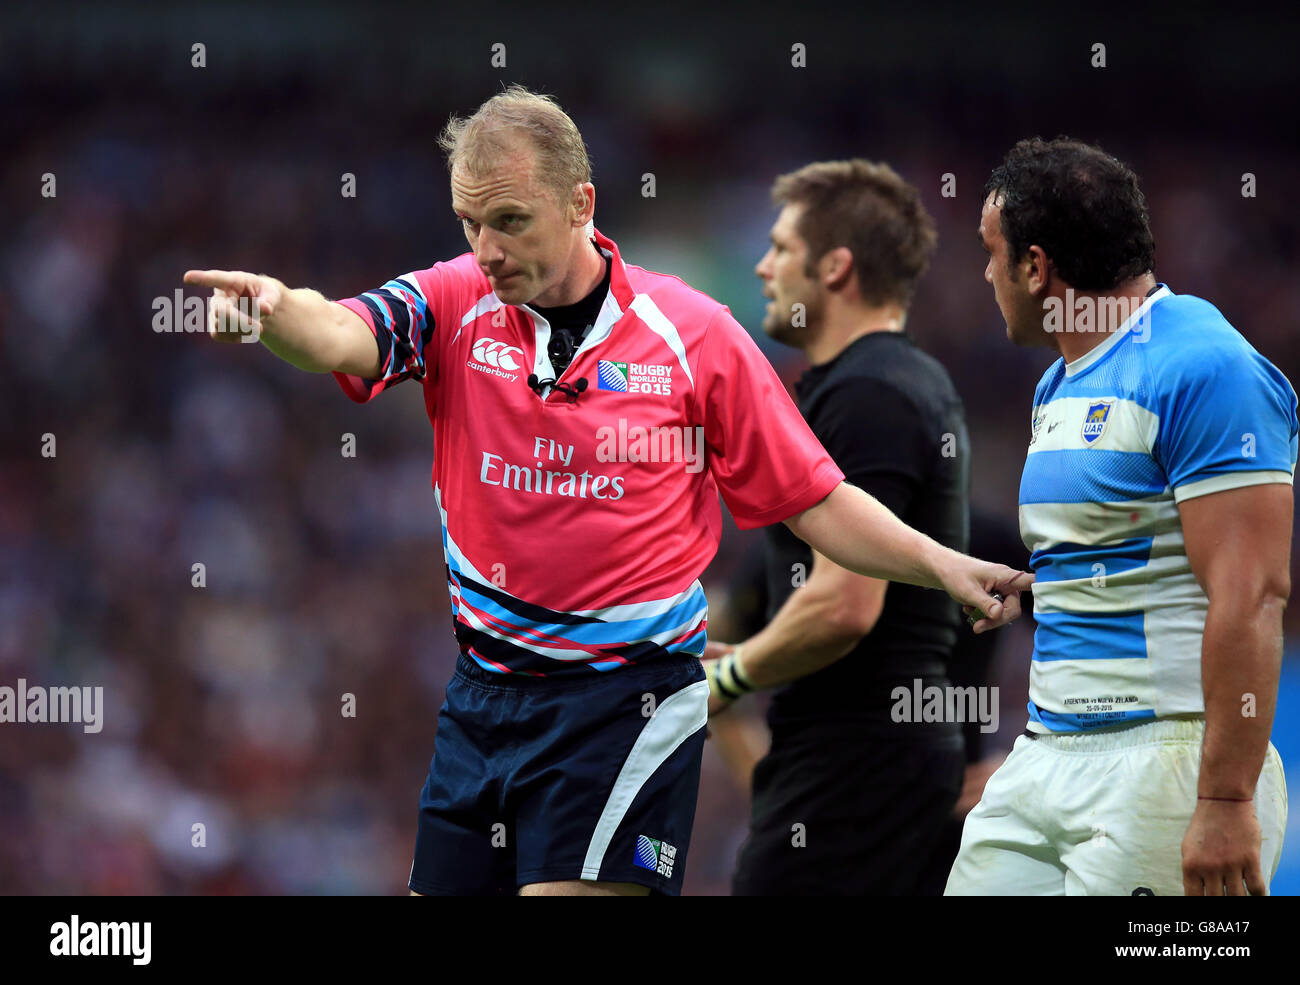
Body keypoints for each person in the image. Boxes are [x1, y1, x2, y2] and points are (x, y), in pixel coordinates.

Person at [182, 85, 1030, 897]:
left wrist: (939, 564)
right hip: (482, 694)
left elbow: (816, 497)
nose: (487, 249)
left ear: (581, 203)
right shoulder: (455, 302)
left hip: (625, 697)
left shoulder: (692, 335)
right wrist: (273, 310)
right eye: (469, 223)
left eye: (510, 222)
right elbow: (340, 330)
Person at [948, 136, 1296, 896]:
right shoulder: (1058, 385)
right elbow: (1143, 556)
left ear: (1036, 267)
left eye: (991, 252)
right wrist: (1042, 591)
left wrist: (1225, 798)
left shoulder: (1207, 368)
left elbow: (1253, 592)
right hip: (1045, 749)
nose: (984, 274)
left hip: (1166, 761)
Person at [702, 159, 974, 895]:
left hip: (856, 774)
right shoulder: (890, 385)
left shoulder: (869, 395)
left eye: (781, 248)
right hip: (862, 771)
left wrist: (723, 681)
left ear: (835, 266)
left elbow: (846, 603)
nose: (762, 268)